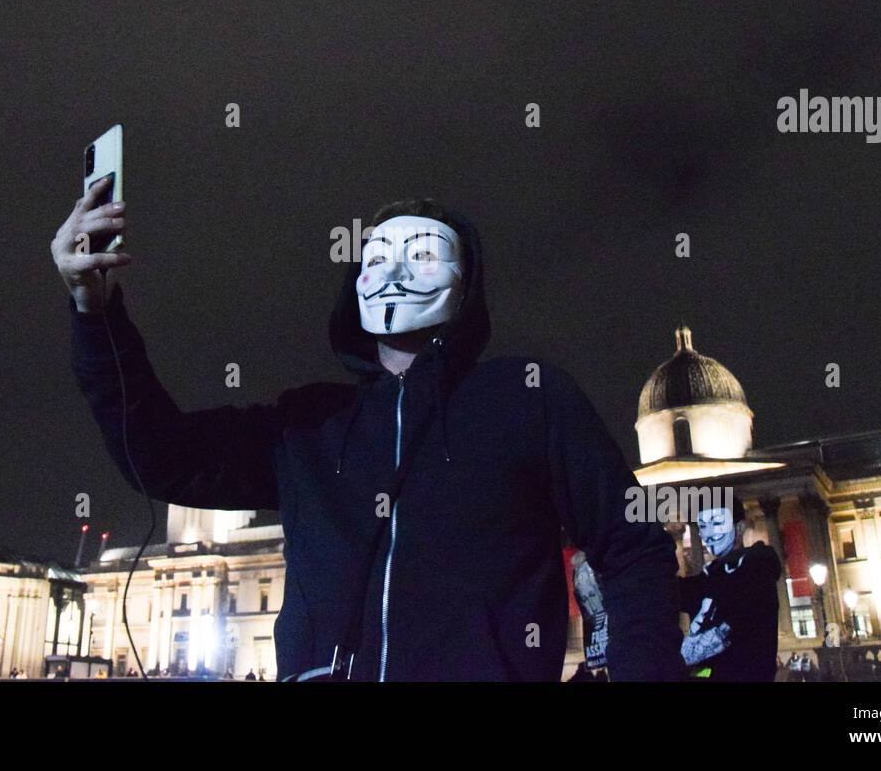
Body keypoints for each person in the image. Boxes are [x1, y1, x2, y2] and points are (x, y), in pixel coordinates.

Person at [54, 194, 684, 681]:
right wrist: (96, 310)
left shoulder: (529, 396)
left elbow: (632, 549)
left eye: (424, 255)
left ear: (468, 283)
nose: (395, 273)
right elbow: (161, 457)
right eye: (376, 257)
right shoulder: (305, 424)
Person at [677, 497, 782, 681]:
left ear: (740, 528)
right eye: (702, 526)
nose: (708, 534)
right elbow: (663, 593)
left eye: (717, 523)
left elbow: (736, 626)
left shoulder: (756, 570)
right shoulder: (706, 580)